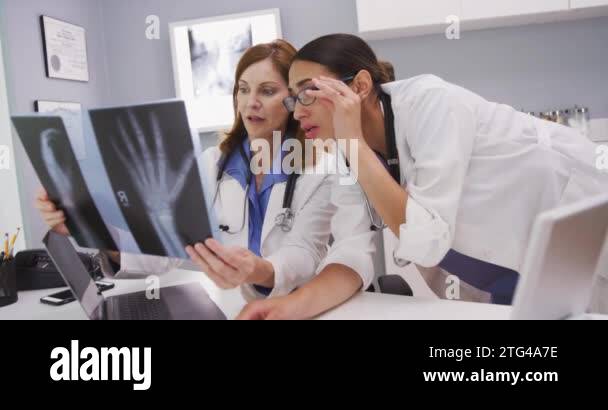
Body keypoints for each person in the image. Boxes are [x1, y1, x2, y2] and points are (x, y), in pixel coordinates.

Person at [237, 33, 608, 318]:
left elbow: (429, 241)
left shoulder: (431, 103)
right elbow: (351, 251)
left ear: (360, 86)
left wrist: (353, 144)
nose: (297, 113)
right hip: (517, 271)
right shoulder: (348, 154)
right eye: (293, 98)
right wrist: (289, 307)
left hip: (583, 222)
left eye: (309, 93)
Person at [36, 39, 377, 317]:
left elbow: (305, 253)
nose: (251, 103)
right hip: (239, 308)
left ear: (292, 100)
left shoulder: (323, 164)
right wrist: (90, 227)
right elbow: (170, 241)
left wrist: (259, 269)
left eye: (268, 91)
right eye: (243, 89)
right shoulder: (214, 163)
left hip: (307, 310)